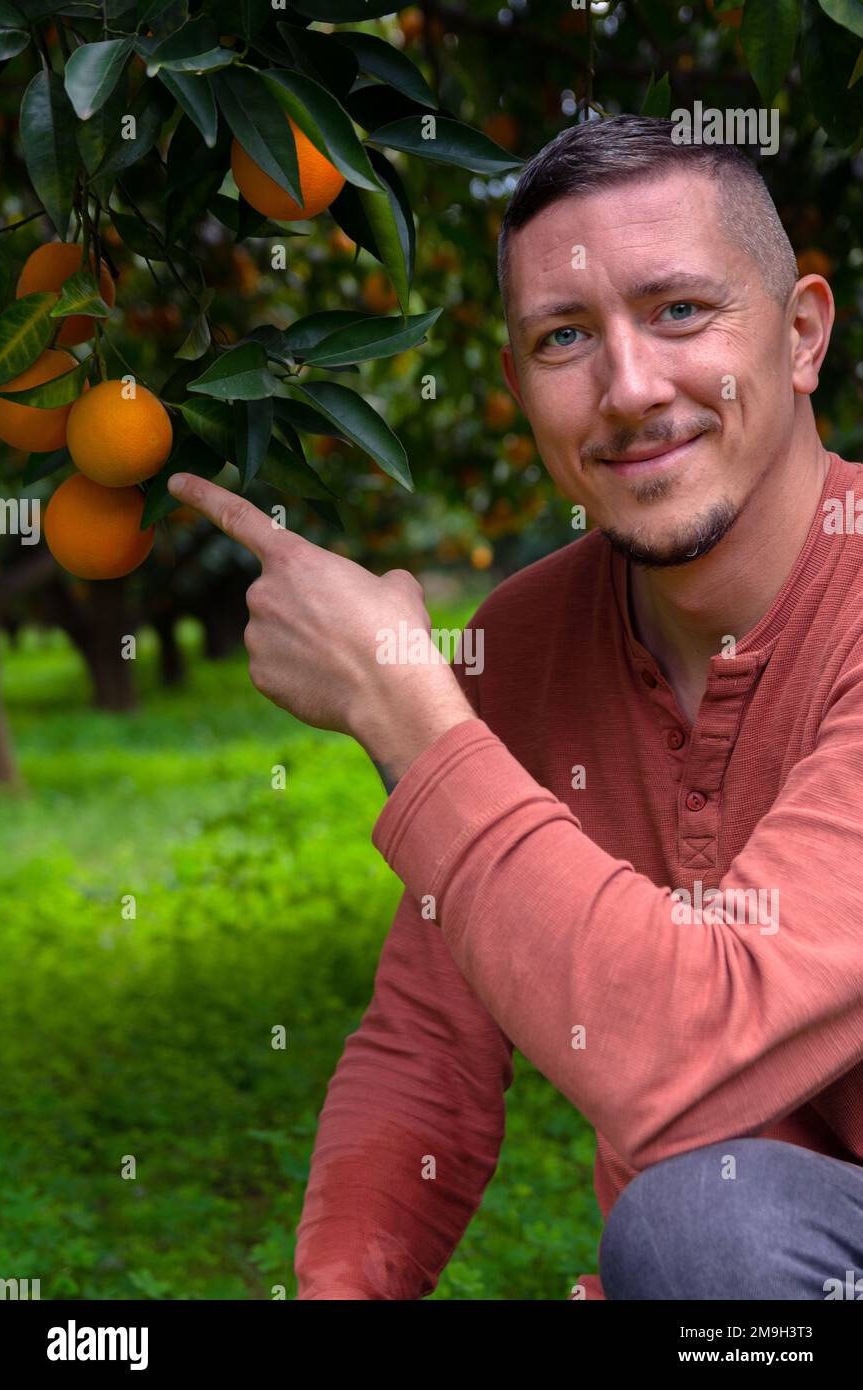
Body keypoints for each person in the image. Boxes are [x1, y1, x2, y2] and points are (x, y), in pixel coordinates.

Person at [168, 115, 863, 1300]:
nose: (630, 388)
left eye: (681, 312)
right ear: (516, 388)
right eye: (562, 338)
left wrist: (407, 719)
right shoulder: (526, 642)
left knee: (703, 1231)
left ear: (800, 335)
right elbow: (429, 1046)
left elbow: (686, 1038)